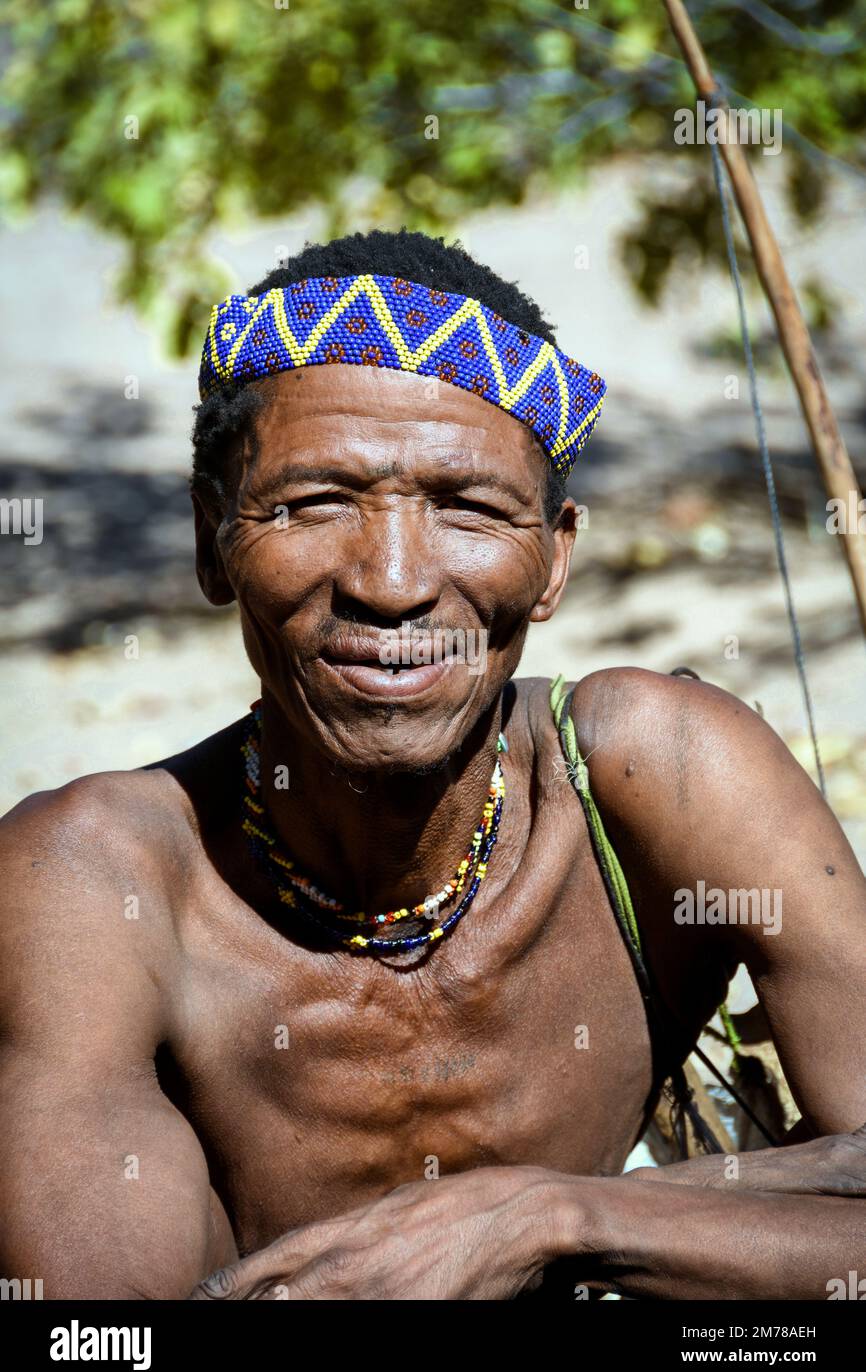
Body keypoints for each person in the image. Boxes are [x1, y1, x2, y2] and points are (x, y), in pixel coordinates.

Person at [1, 230, 863, 1301]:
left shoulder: (663, 771)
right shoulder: (91, 882)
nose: (394, 582)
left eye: (466, 506)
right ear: (209, 539)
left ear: (554, 559)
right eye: (312, 501)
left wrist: (551, 1215)